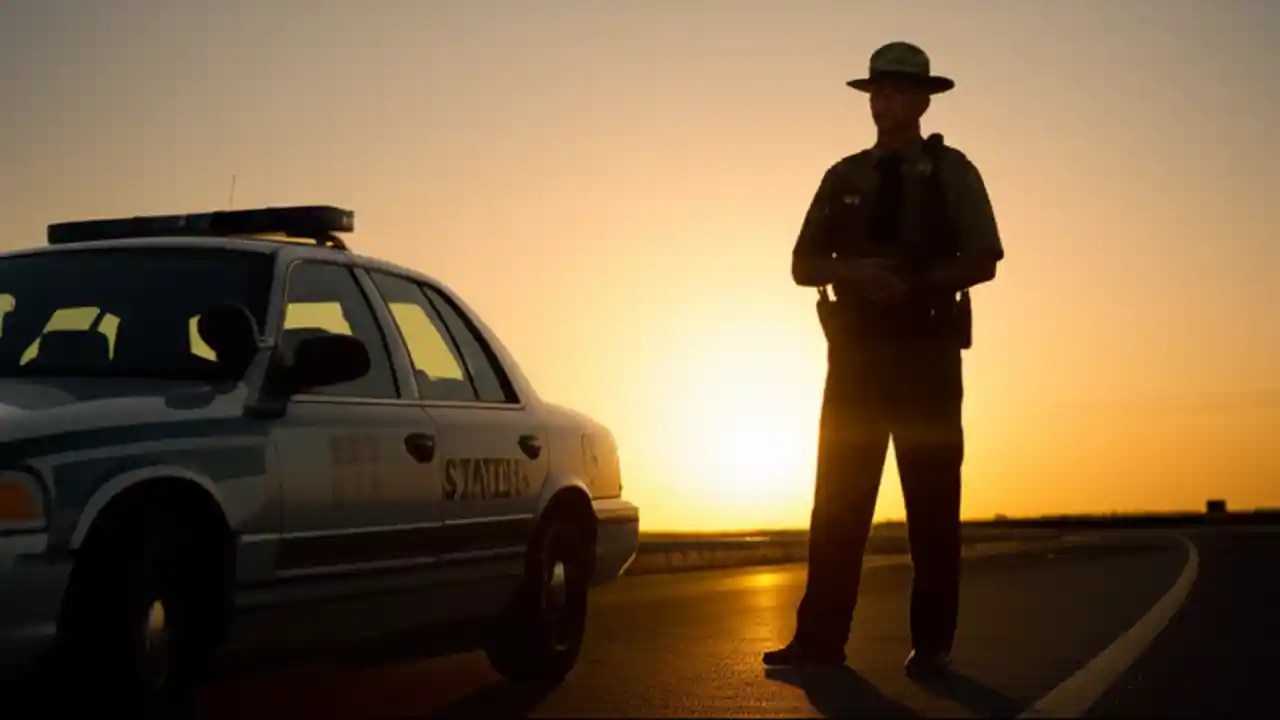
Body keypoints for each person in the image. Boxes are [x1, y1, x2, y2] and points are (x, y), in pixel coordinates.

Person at [763, 41, 1004, 679]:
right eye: (877, 90)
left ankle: (931, 647)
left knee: (931, 504)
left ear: (923, 100)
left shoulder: (953, 172)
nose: (883, 101)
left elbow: (985, 258)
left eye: (896, 91)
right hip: (857, 357)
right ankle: (818, 642)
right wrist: (857, 272)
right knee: (838, 504)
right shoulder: (843, 176)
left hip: (925, 352)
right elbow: (801, 265)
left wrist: (919, 283)